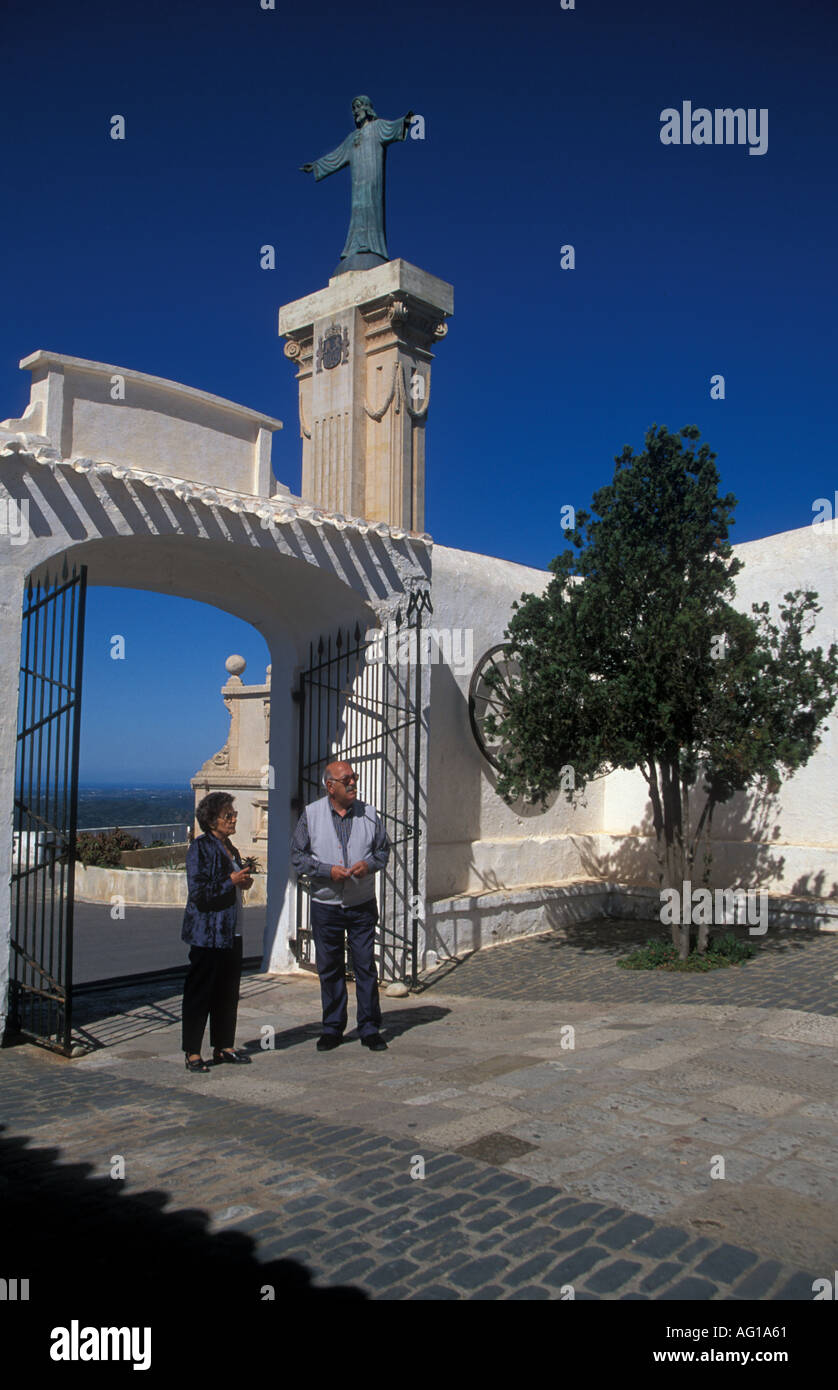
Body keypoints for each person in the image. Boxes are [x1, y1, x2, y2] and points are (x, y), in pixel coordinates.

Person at [291, 761, 390, 1051]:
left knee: (364, 966)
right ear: (330, 785)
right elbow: (297, 855)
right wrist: (325, 870)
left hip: (361, 903)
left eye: (354, 778)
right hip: (326, 905)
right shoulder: (311, 814)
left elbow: (383, 850)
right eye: (346, 779)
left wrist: (368, 865)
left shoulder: (370, 814)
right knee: (330, 968)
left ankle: (370, 1028)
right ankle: (332, 1028)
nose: (352, 783)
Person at [181, 792, 253, 1073]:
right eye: (228, 815)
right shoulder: (201, 848)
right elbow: (198, 893)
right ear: (212, 820)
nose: (234, 818)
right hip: (207, 935)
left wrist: (240, 883)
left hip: (231, 932)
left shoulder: (229, 847)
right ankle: (192, 1051)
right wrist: (230, 881)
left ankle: (224, 1045)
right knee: (200, 993)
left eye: (233, 814)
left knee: (227, 992)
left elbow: (230, 882)